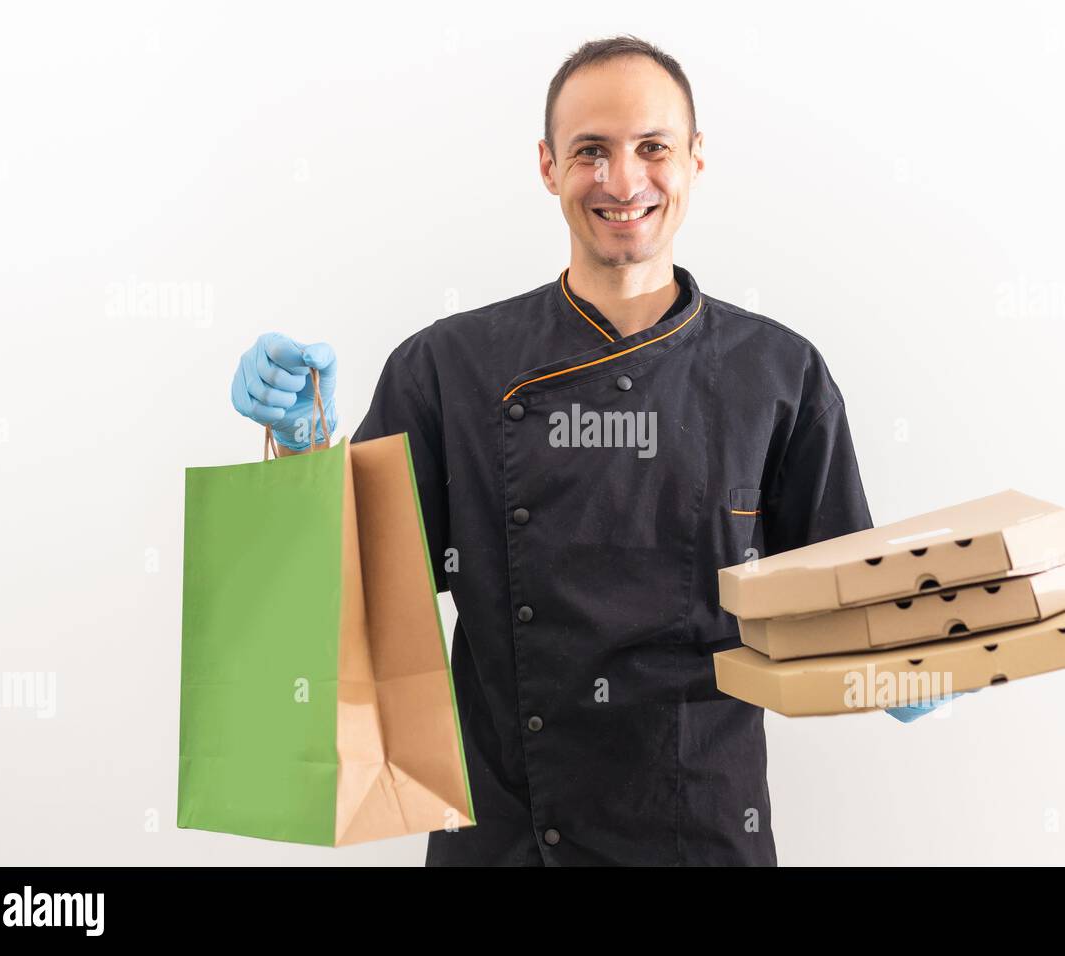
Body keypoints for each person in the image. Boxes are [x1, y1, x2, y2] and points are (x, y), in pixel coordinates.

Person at [230, 35, 959, 866]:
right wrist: (301, 450)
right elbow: (351, 592)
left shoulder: (780, 374)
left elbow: (841, 605)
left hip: (703, 838)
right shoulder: (448, 367)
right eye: (591, 152)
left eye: (652, 147)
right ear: (548, 166)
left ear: (694, 160)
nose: (623, 181)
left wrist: (918, 674)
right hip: (504, 839)